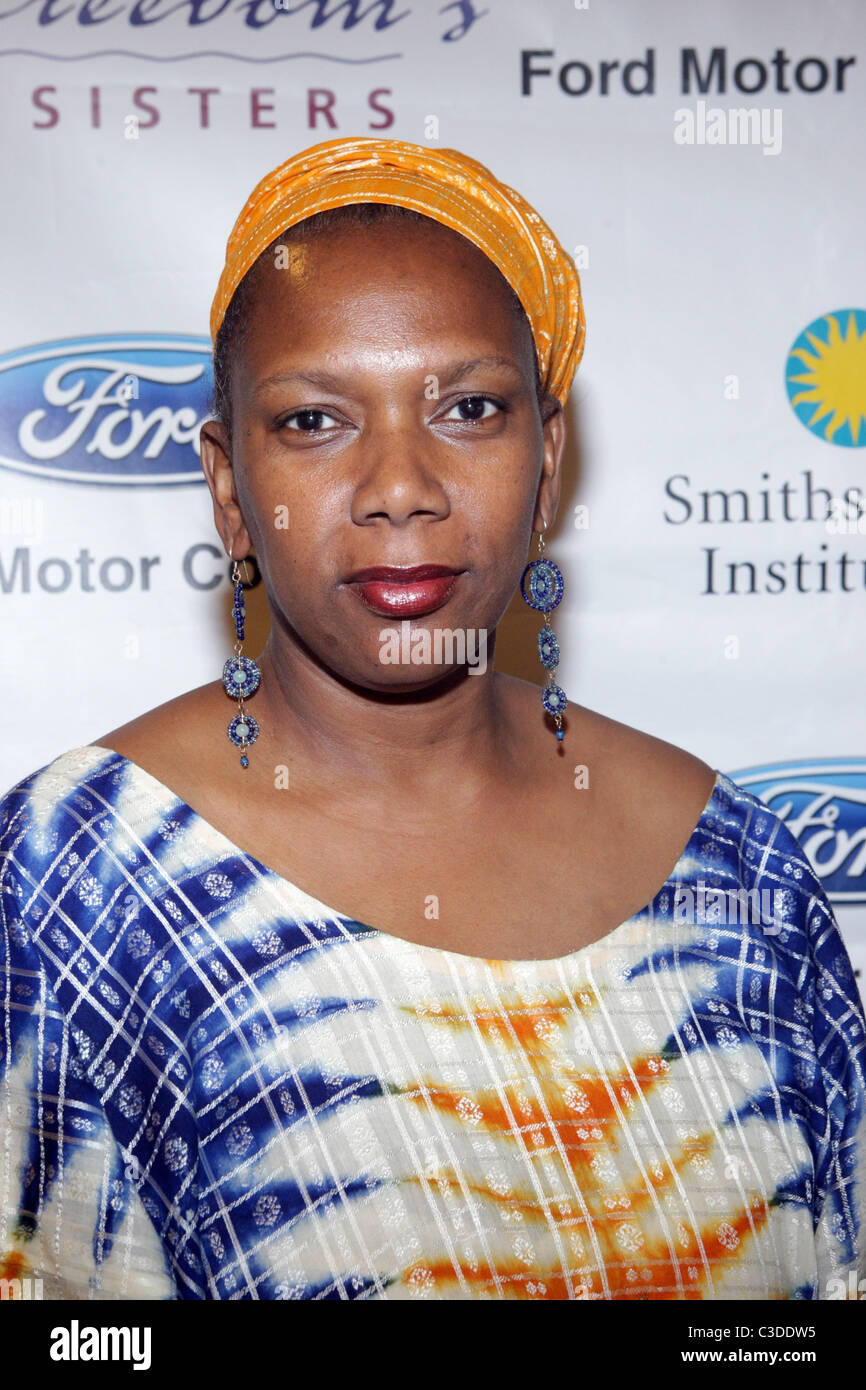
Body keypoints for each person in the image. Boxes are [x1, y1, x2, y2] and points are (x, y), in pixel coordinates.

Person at [1, 137, 864, 1302]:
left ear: (547, 461)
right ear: (228, 489)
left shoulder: (736, 864)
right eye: (313, 421)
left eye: (466, 408)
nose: (399, 483)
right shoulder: (74, 888)